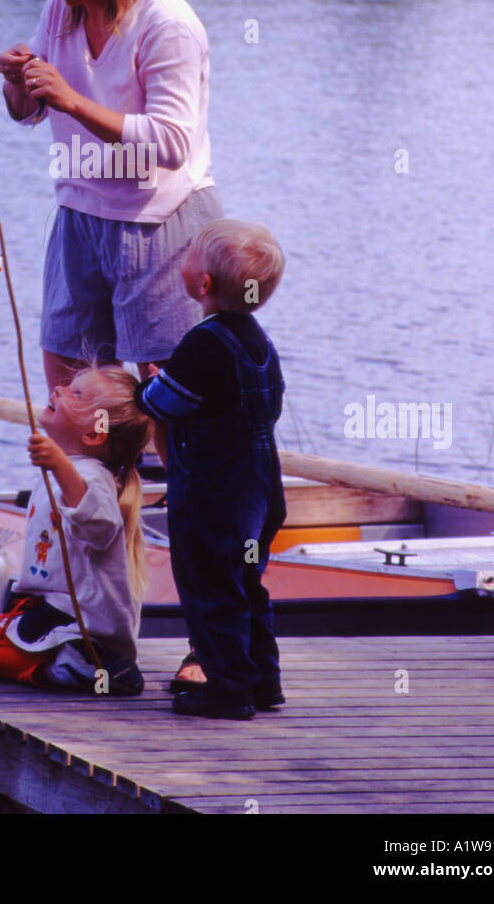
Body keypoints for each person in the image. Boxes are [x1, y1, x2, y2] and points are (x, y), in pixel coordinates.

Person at [0, 0, 223, 407]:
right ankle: (101, 492)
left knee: (171, 407)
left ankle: (168, 490)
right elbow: (27, 112)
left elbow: (171, 143)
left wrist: (73, 100)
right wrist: (16, 81)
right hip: (80, 216)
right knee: (73, 400)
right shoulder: (60, 11)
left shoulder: (167, 23)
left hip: (160, 224)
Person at [134, 219, 287, 719]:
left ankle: (228, 688)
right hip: (262, 483)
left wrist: (149, 387)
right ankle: (262, 680)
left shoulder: (202, 343)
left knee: (208, 584)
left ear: (202, 286)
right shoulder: (259, 342)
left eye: (190, 253)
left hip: (217, 490)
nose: (182, 257)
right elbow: (270, 403)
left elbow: (163, 403)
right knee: (246, 581)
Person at [0, 366, 150, 695]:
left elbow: (98, 524)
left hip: (79, 622)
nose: (59, 390)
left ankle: (72, 667)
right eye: (67, 385)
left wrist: (59, 464)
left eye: (76, 393)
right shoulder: (76, 470)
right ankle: (72, 663)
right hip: (54, 609)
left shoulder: (92, 478)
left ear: (95, 434)